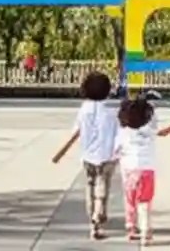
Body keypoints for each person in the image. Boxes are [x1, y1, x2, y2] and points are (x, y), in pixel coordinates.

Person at [51, 71, 120, 239]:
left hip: (87, 155)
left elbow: (76, 131)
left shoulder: (83, 110)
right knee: (103, 185)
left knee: (89, 186)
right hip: (106, 155)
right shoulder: (111, 113)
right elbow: (118, 134)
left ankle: (93, 224)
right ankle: (99, 212)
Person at [115, 94, 170, 243]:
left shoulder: (123, 132)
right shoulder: (149, 131)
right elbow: (164, 133)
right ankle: (145, 230)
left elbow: (115, 150)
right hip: (147, 170)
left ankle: (131, 227)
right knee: (144, 201)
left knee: (130, 199)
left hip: (129, 170)